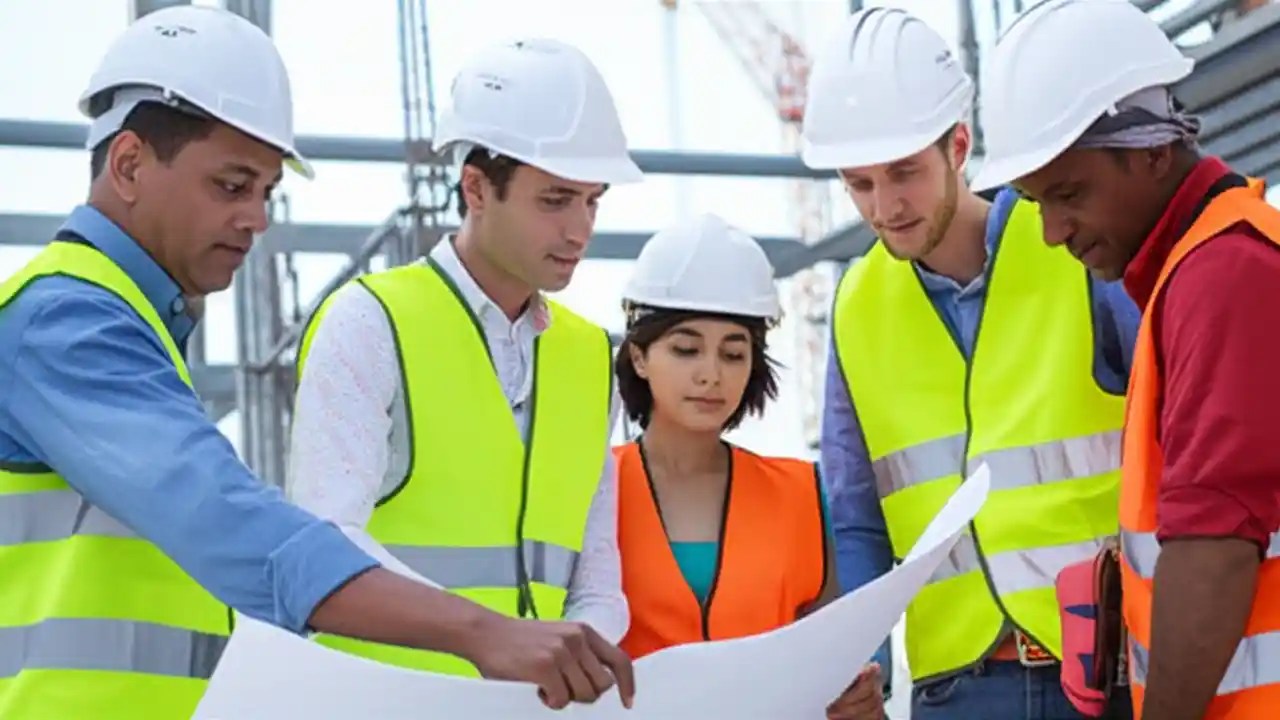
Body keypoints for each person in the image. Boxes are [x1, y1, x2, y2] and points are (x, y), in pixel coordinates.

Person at [0, 9, 633, 718]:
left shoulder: (127, 320)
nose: (258, 218)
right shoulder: (66, 321)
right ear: (128, 165)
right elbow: (226, 519)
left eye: (266, 192)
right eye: (232, 186)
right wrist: (483, 634)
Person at [799, 6, 1140, 718]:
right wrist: (857, 662)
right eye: (859, 184)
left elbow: (1181, 436)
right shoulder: (857, 305)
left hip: (1106, 669)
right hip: (956, 687)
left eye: (903, 173)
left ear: (957, 145)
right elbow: (858, 519)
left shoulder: (1074, 250)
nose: (885, 206)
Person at [285, 35, 642, 703]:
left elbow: (595, 580)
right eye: (555, 199)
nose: (580, 229)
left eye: (593, 200)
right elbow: (325, 540)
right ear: (476, 188)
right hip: (383, 702)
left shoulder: (592, 355)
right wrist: (492, 638)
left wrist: (574, 653)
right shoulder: (369, 322)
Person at [973, 1, 1280, 718]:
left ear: (1151, 151)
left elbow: (1214, 546)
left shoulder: (1222, 273)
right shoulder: (1198, 269)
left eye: (1069, 194)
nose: (1051, 232)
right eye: (1035, 202)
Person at [611, 213, 884, 720]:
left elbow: (831, 667)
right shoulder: (592, 488)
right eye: (686, 349)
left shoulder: (800, 492)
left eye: (733, 355)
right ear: (640, 357)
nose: (710, 374)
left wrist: (860, 702)